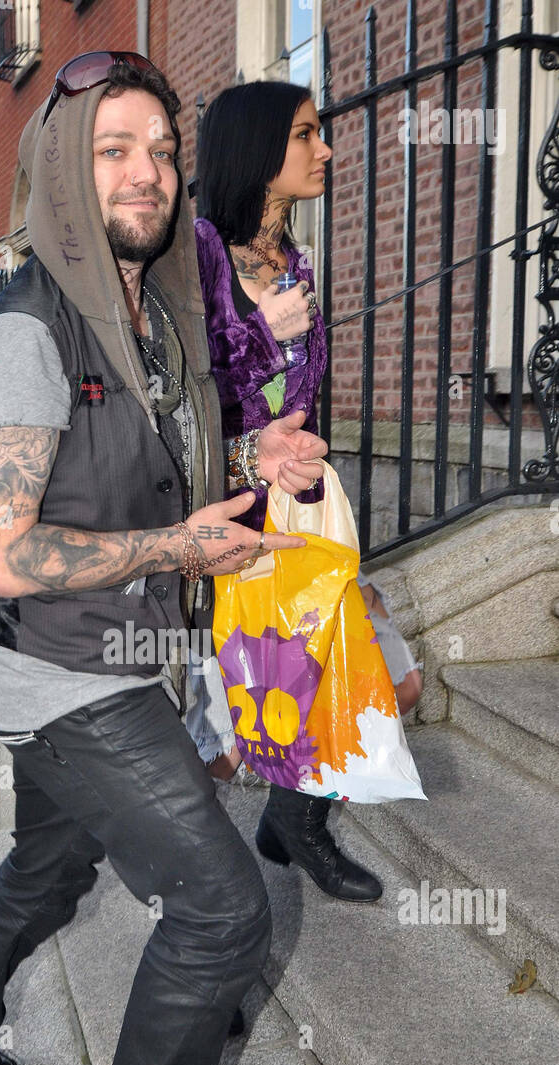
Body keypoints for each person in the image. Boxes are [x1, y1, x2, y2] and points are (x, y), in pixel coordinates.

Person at [0, 53, 329, 1065]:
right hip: (67, 680)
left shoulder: (145, 313)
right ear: (61, 176)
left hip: (121, 654)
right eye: (110, 150)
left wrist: (256, 465)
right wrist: (178, 547)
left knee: (48, 866)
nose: (143, 173)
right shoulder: (20, 336)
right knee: (224, 907)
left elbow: (161, 477)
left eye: (159, 149)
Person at [190, 80, 422, 902]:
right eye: (303, 135)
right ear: (255, 149)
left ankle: (290, 820)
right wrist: (264, 335)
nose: (323, 149)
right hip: (231, 507)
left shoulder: (297, 263)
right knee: (281, 682)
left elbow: (303, 389)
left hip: (300, 494)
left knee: (365, 669)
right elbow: (190, 396)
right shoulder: (198, 253)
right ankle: (291, 828)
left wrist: (306, 450)